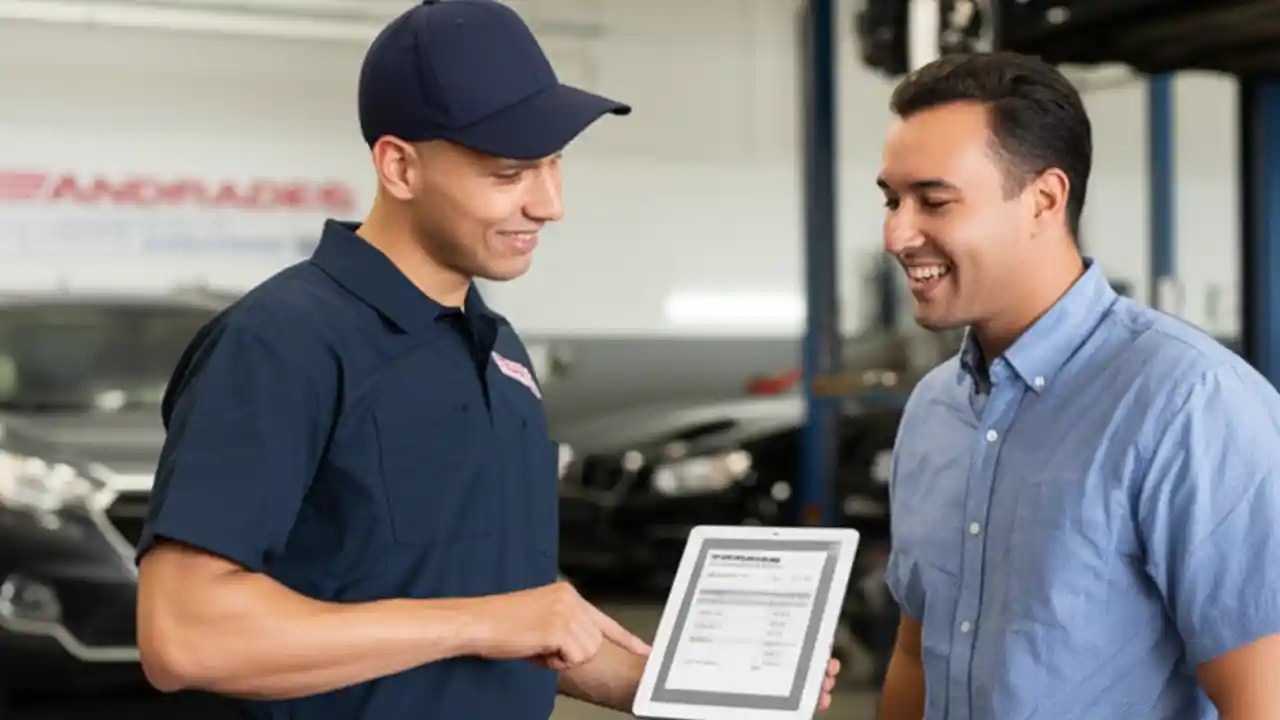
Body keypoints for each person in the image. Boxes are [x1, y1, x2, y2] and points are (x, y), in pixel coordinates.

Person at [133, 2, 842, 719]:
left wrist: (682, 685)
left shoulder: (495, 348)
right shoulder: (281, 342)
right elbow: (186, 635)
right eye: (510, 174)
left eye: (554, 164)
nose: (551, 205)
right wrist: (485, 621)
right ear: (401, 166)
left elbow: (510, 616)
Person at [874, 51, 1280, 719]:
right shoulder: (935, 409)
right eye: (892, 200)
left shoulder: (1189, 404)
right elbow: (917, 656)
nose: (897, 233)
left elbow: (1262, 699)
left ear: (1044, 200)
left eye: (934, 201)